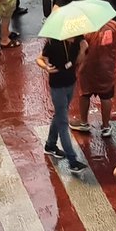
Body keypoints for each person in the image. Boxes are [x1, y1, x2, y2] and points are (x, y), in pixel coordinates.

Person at [39, 36, 87, 173]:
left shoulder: (79, 41)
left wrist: (83, 51)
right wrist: (46, 67)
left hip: (71, 83)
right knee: (63, 122)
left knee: (60, 114)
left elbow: (76, 62)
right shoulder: (53, 43)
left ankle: (50, 145)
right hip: (57, 86)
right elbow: (40, 58)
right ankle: (72, 160)